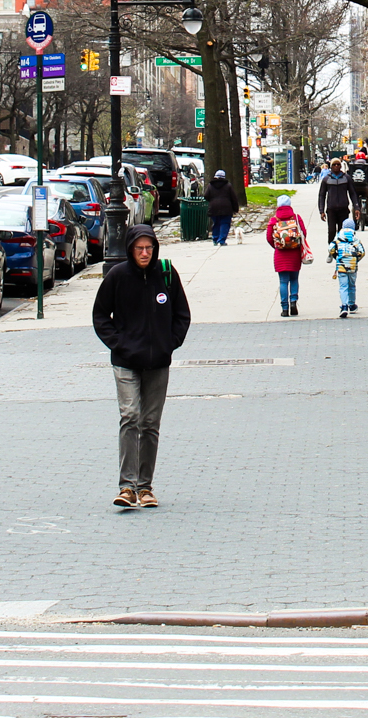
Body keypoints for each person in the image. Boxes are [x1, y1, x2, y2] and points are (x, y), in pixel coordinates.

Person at [93, 224, 192, 510]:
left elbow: (182, 315)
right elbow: (100, 315)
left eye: (149, 248)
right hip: (126, 361)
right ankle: (127, 486)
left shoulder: (167, 275)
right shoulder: (118, 277)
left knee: (150, 423)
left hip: (158, 362)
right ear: (130, 249)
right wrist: (119, 344)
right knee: (130, 416)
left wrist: (168, 343)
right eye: (139, 248)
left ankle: (145, 487)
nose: (145, 253)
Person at [266, 194, 308, 316]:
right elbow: (303, 233)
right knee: (294, 278)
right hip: (295, 253)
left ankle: (285, 309)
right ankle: (294, 301)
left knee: (283, 281)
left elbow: (269, 237)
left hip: (280, 255)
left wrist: (278, 246)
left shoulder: (274, 220)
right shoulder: (296, 218)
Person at [331, 222, 365, 317]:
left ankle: (344, 306)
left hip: (341, 265)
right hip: (352, 265)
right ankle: (352, 304)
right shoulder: (355, 239)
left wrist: (337, 257)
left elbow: (331, 249)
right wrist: (356, 259)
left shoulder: (338, 238)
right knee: (352, 285)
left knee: (343, 286)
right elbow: (362, 252)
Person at [316, 157, 353, 238]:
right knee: (331, 231)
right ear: (331, 166)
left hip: (343, 209)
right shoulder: (326, 179)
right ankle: (331, 248)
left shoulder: (346, 178)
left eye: (338, 164)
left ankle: (341, 249)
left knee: (342, 232)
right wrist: (321, 210)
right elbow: (322, 195)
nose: (336, 166)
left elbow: (352, 193)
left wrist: (356, 207)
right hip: (331, 210)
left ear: (341, 166)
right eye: (334, 164)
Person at [203, 169, 242, 246]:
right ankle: (221, 240)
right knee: (225, 223)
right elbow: (234, 198)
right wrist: (235, 209)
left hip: (214, 208)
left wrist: (212, 201)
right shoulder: (228, 185)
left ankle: (215, 239)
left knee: (216, 223)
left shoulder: (210, 185)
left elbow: (206, 196)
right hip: (226, 208)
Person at [346, 152, 368, 230]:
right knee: (366, 202)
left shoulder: (352, 166)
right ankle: (366, 219)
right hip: (364, 187)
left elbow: (348, 175)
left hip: (354, 188)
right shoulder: (367, 166)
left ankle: (355, 222)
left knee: (355, 205)